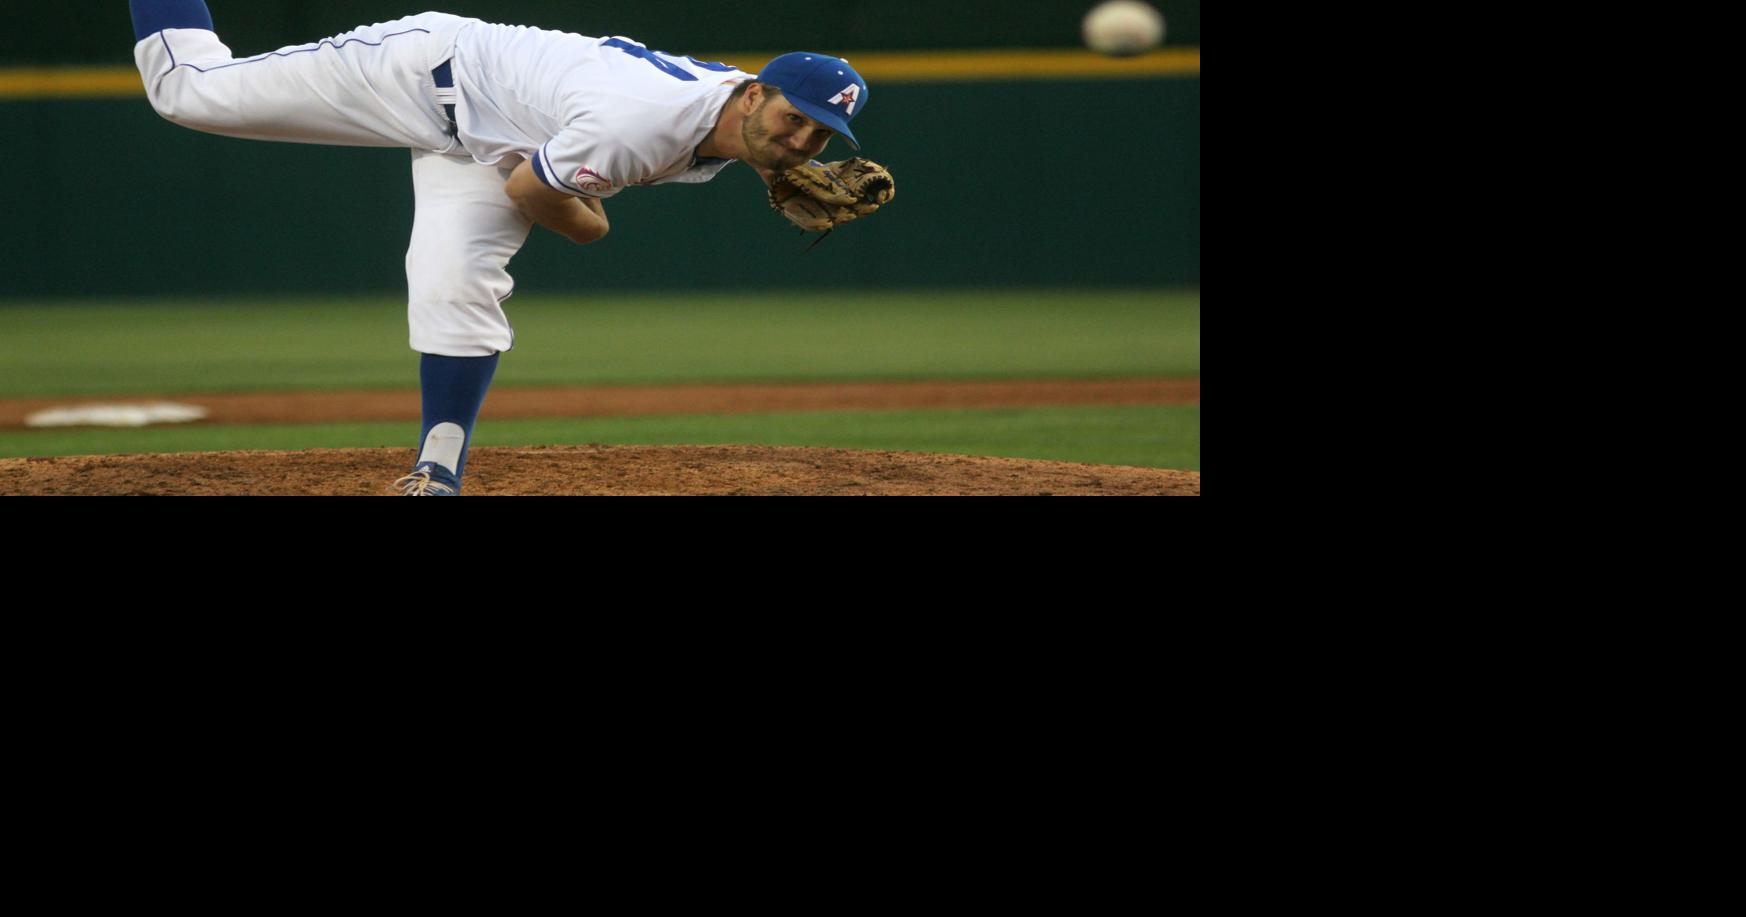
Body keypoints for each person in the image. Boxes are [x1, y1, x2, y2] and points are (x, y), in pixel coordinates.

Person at [127, 1, 874, 495]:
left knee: (453, 281)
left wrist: (775, 159)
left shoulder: (732, 101)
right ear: (753, 95)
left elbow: (541, 163)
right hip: (421, 75)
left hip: (501, 135)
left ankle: (437, 469)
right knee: (188, 94)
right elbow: (530, 192)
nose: (802, 140)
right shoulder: (635, 126)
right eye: (793, 118)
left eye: (819, 133)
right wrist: (594, 225)